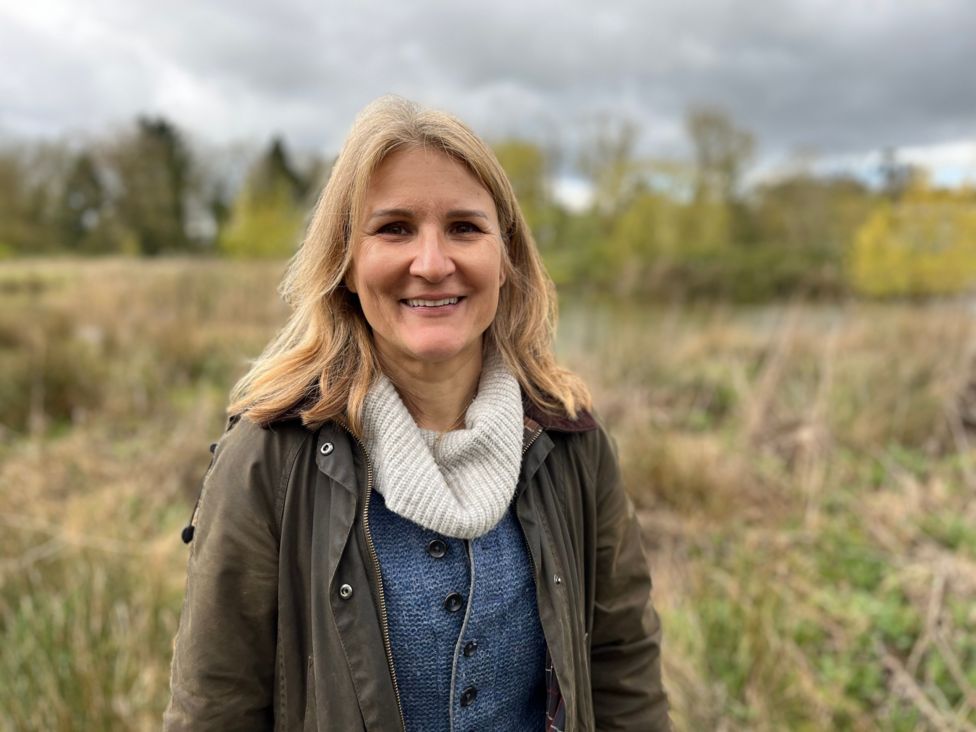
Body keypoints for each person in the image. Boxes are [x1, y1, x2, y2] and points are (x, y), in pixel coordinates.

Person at [164, 95, 671, 731]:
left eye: (464, 227)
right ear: (346, 263)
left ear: (506, 258)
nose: (432, 264)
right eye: (394, 228)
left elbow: (621, 665)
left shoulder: (568, 438)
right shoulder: (271, 455)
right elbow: (216, 707)